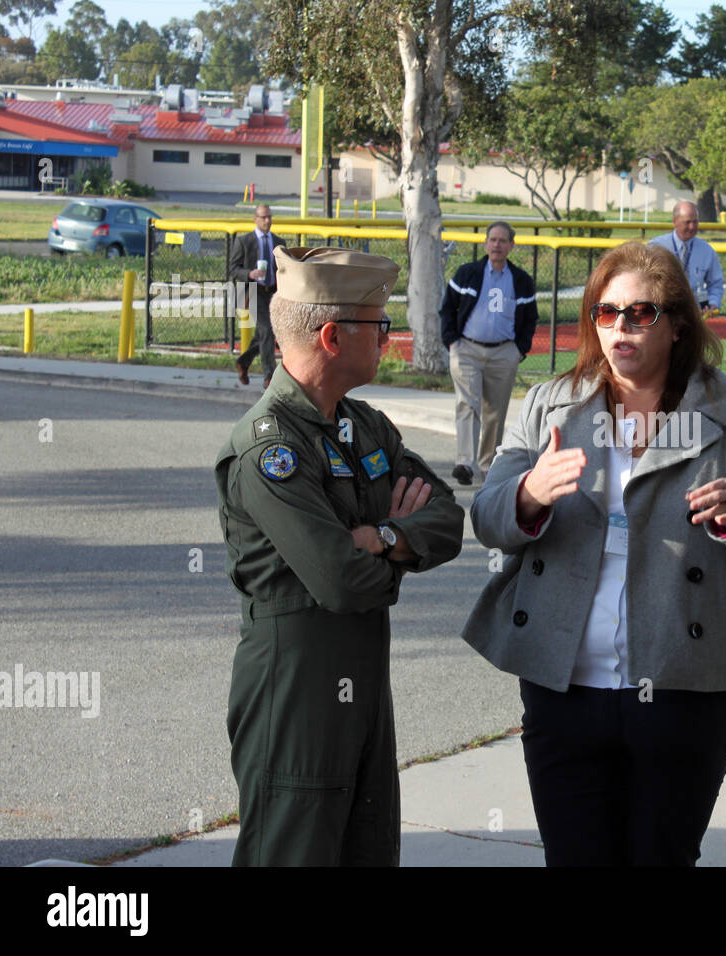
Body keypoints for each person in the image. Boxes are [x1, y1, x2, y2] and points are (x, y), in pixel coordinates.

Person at [462, 241, 726, 866]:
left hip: (687, 685)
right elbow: (488, 517)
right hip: (564, 686)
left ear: (678, 325)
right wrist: (527, 494)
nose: (619, 327)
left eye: (640, 314)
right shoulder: (551, 404)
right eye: (605, 311)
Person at [216, 246, 465, 866]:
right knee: (293, 853)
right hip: (295, 690)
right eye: (379, 325)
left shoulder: (364, 426)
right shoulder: (268, 449)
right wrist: (394, 534)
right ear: (331, 335)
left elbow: (447, 518)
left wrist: (379, 537)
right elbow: (341, 581)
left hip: (363, 688)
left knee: (368, 851)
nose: (390, 338)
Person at [440, 220, 539, 486]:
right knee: (467, 404)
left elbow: (531, 318)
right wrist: (451, 341)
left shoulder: (521, 281)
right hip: (467, 349)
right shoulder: (467, 273)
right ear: (486, 243)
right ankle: (464, 462)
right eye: (492, 240)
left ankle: (487, 466)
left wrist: (519, 349)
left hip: (504, 352)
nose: (497, 245)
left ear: (511, 245)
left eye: (502, 240)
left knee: (495, 412)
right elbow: (447, 308)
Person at [231, 204, 287, 388]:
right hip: (253, 292)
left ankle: (243, 362)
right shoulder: (244, 242)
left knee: (265, 332)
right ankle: (269, 375)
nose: (267, 221)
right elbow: (232, 269)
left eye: (269, 217)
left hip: (272, 292)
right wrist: (249, 273)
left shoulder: (279, 243)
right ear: (255, 219)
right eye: (263, 217)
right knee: (266, 329)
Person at [649, 200, 724, 315]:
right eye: (687, 222)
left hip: (695, 314)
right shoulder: (656, 247)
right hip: (663, 313)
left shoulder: (706, 251)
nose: (692, 226)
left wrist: (713, 303)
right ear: (675, 221)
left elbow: (716, 283)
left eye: (695, 222)